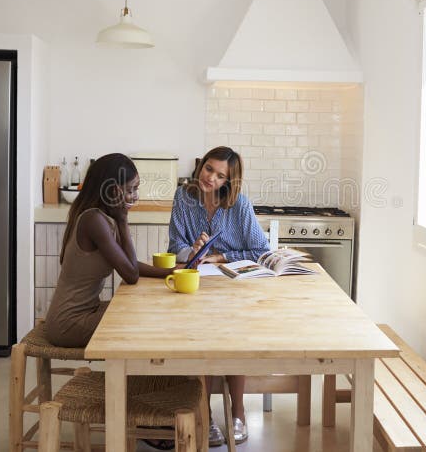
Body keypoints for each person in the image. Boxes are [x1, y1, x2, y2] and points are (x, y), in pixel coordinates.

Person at [168, 146, 269, 446]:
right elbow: (175, 246)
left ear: (229, 181)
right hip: (197, 288)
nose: (210, 177)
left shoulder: (240, 207)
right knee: (202, 344)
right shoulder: (183, 198)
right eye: (208, 169)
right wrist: (195, 251)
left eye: (219, 175)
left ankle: (237, 413)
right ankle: (206, 414)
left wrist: (222, 256)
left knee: (234, 341)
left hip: (233, 288)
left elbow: (261, 251)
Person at [45, 153, 173, 348]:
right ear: (113, 191)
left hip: (87, 312)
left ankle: (146, 376)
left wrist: (171, 272)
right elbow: (131, 274)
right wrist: (123, 219)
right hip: (68, 324)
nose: (136, 196)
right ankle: (135, 377)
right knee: (143, 321)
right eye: (131, 190)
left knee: (144, 310)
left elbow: (127, 264)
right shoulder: (94, 220)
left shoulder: (100, 217)